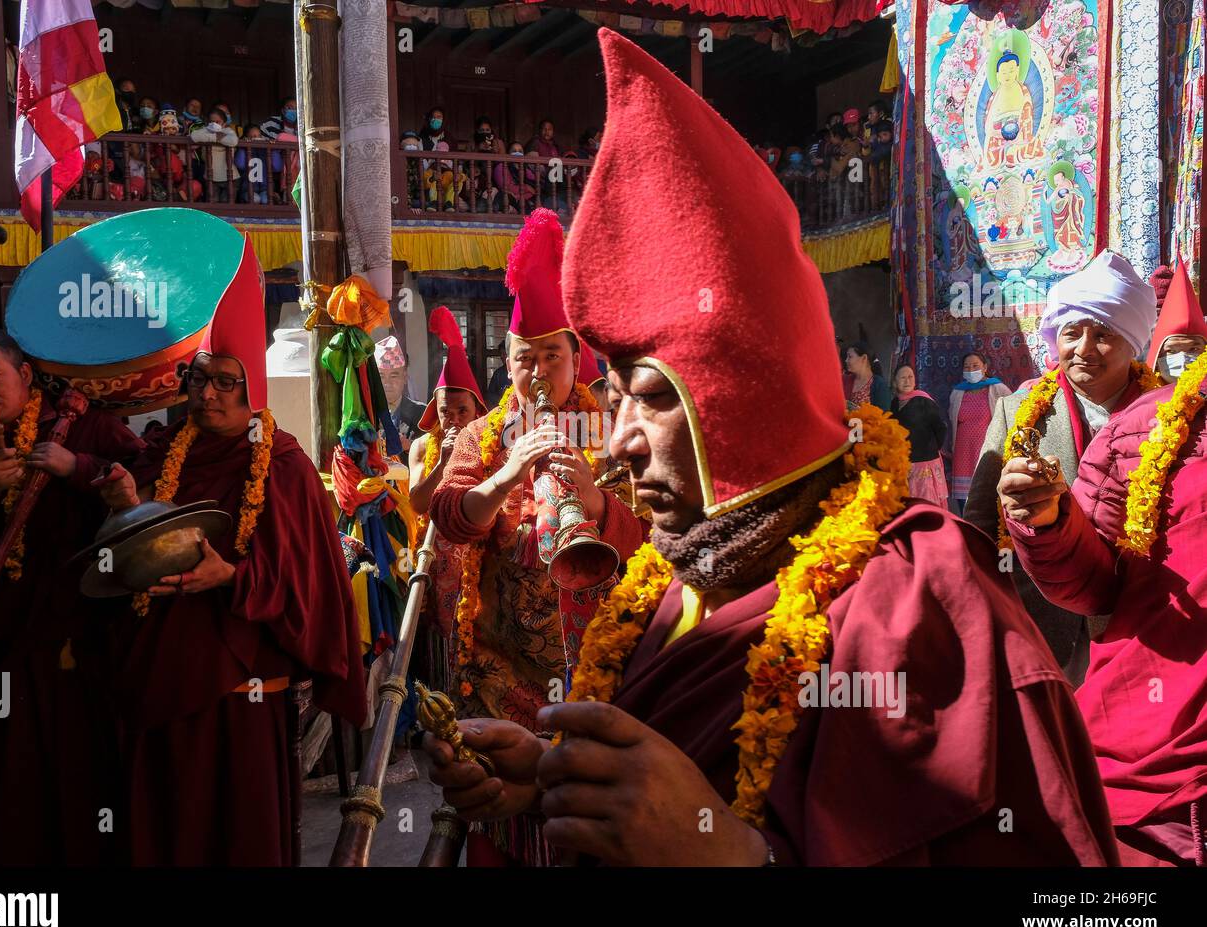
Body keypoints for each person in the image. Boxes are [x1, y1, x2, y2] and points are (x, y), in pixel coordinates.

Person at [424, 29, 1119, 867]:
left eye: (649, 399)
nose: (620, 443)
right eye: (614, 400)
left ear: (738, 400)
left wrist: (731, 857)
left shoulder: (920, 609)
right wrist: (558, 779)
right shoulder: (674, 578)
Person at [93, 238, 367, 866]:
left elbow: (310, 584)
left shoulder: (285, 465)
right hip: (161, 674)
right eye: (200, 379)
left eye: (225, 383)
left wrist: (233, 577)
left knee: (236, 835)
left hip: (242, 689)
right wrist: (124, 504)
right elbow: (128, 550)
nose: (208, 395)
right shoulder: (162, 454)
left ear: (251, 393)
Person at [428, 208, 645, 865]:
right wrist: (505, 479)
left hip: (601, 673)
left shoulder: (614, 431)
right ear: (509, 364)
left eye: (554, 354)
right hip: (502, 678)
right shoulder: (480, 435)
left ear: (577, 358)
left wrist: (596, 499)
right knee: (506, 830)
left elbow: (655, 535)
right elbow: (446, 515)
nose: (539, 370)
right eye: (526, 358)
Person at [0, 328, 145, 865]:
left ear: (25, 376)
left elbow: (148, 491)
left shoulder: (85, 426)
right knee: (2, 802)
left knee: (82, 795)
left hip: (73, 655)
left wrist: (79, 469)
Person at [997, 348, 1207, 864]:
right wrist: (1048, 522)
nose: (1086, 349)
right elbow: (1094, 583)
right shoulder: (1143, 427)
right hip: (1152, 749)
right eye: (1074, 332)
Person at [964, 251, 1160, 683]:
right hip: (1040, 620)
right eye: (1072, 333)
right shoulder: (1018, 411)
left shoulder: (1169, 413)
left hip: (1140, 621)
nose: (1084, 349)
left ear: (1133, 341)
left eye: (1104, 333)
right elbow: (979, 519)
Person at [408, 307, 489, 689]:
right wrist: (442, 462)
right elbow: (418, 503)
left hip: (477, 555)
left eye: (463, 410)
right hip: (434, 554)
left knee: (479, 630)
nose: (455, 419)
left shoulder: (491, 445)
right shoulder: (424, 446)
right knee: (439, 639)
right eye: (446, 412)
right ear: (434, 413)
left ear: (477, 411)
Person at [947, 351, 1010, 513]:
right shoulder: (957, 392)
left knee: (986, 496)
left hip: (986, 451)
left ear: (985, 367)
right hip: (962, 454)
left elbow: (1011, 411)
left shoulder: (997, 389)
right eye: (967, 367)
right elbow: (952, 420)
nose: (971, 369)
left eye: (975, 366)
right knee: (964, 503)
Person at [890, 364, 948, 508]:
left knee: (926, 505)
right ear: (895, 382)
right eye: (903, 377)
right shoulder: (894, 403)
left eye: (910, 377)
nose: (907, 381)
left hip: (925, 463)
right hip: (904, 462)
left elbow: (940, 428)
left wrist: (931, 448)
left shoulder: (924, 401)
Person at [1146, 261, 1207, 384]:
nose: (1183, 360)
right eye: (1171, 351)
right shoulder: (1139, 396)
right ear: (1157, 356)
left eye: (1194, 349)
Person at [375, 334, 426, 465]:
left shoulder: (422, 413)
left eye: (393, 376)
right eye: (381, 376)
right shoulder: (367, 414)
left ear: (404, 378)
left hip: (409, 483)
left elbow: (433, 450)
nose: (387, 383)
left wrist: (409, 445)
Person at [190, 107, 239, 203]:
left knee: (227, 205)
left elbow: (233, 141)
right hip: (211, 177)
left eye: (218, 121)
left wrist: (209, 138)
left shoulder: (228, 131)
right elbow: (194, 136)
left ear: (224, 123)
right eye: (212, 121)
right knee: (213, 205)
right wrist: (216, 137)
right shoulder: (206, 130)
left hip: (230, 177)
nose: (214, 124)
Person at [842, 340, 891, 409]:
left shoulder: (880, 386)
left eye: (850, 357)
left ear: (864, 358)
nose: (846, 360)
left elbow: (882, 416)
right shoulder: (844, 380)